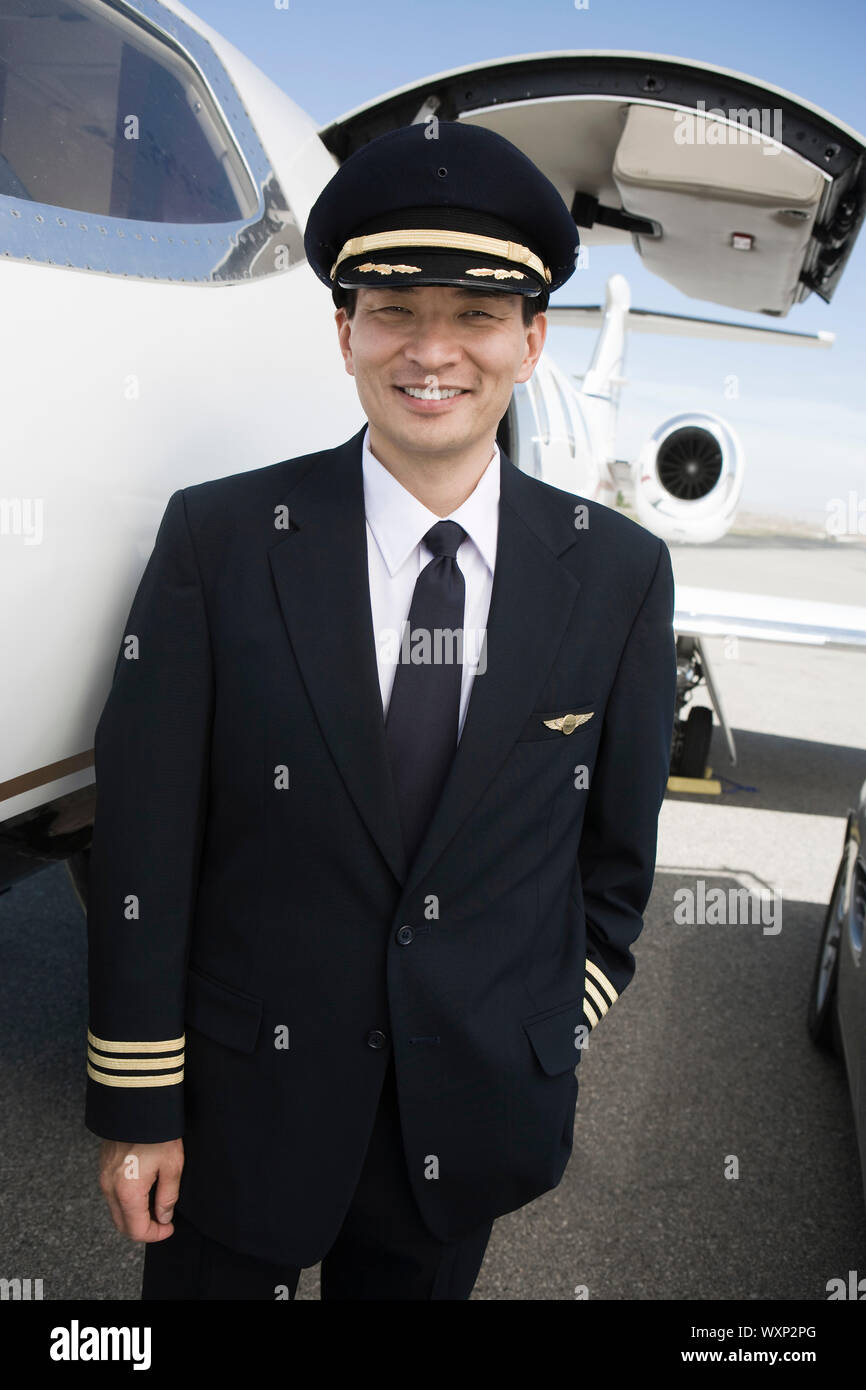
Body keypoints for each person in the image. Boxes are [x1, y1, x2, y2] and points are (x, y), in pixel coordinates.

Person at [86, 120, 677, 1300]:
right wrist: (140, 1097)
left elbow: (610, 869)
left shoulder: (615, 575)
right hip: (239, 1111)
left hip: (459, 1125)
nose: (432, 349)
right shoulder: (221, 541)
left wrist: (538, 1033)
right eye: (396, 308)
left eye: (473, 314)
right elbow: (144, 837)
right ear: (345, 331)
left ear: (530, 339)